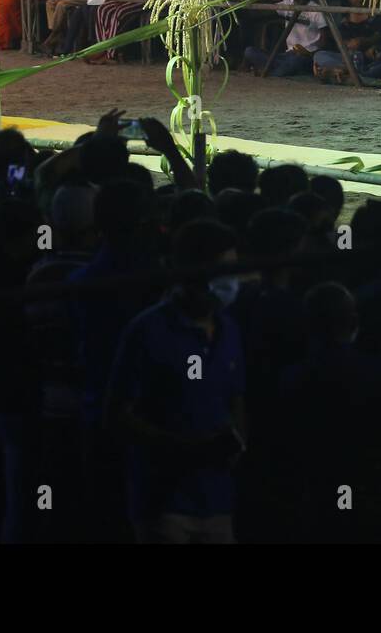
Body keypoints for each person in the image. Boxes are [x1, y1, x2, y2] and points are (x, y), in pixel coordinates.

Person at [107, 219, 247, 544]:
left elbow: (236, 397)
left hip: (217, 500)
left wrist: (238, 444)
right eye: (222, 270)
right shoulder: (147, 330)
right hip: (164, 502)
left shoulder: (229, 329)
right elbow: (116, 415)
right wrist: (185, 449)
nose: (232, 280)